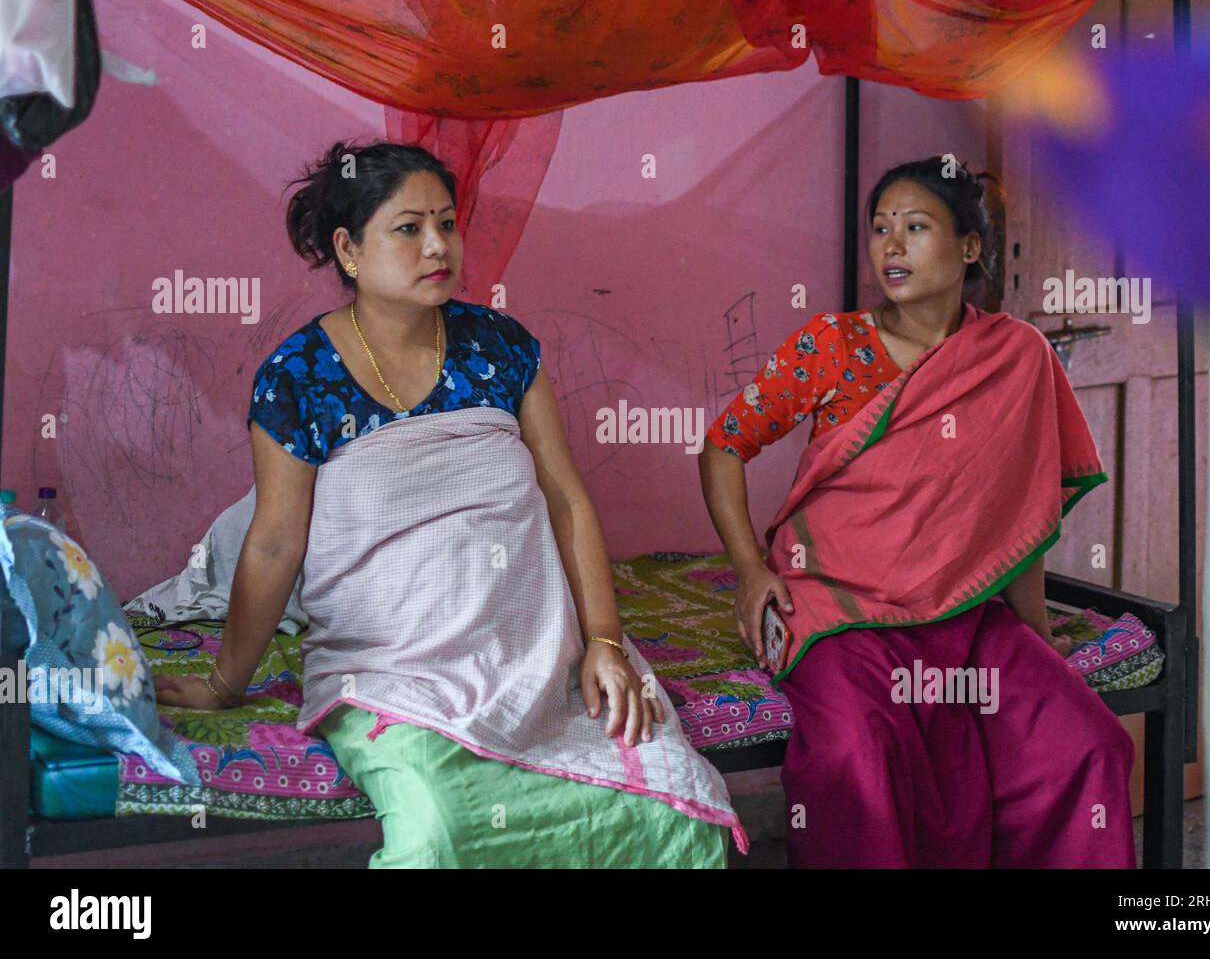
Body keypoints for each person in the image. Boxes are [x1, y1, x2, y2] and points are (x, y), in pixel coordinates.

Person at [155, 139, 745, 868]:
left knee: (670, 804)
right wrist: (223, 682)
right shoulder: (299, 377)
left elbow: (564, 497)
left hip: (535, 653)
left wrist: (603, 641)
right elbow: (275, 544)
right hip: (390, 666)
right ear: (348, 248)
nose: (438, 245)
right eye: (409, 228)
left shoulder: (499, 348)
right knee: (436, 830)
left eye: (446, 223)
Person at [698, 156, 1136, 868]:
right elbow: (722, 445)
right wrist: (749, 572)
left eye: (914, 226)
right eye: (879, 229)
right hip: (834, 609)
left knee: (1084, 741)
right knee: (857, 757)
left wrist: (1035, 636)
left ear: (969, 247)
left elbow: (1017, 517)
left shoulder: (1013, 355)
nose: (890, 246)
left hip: (962, 612)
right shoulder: (829, 346)